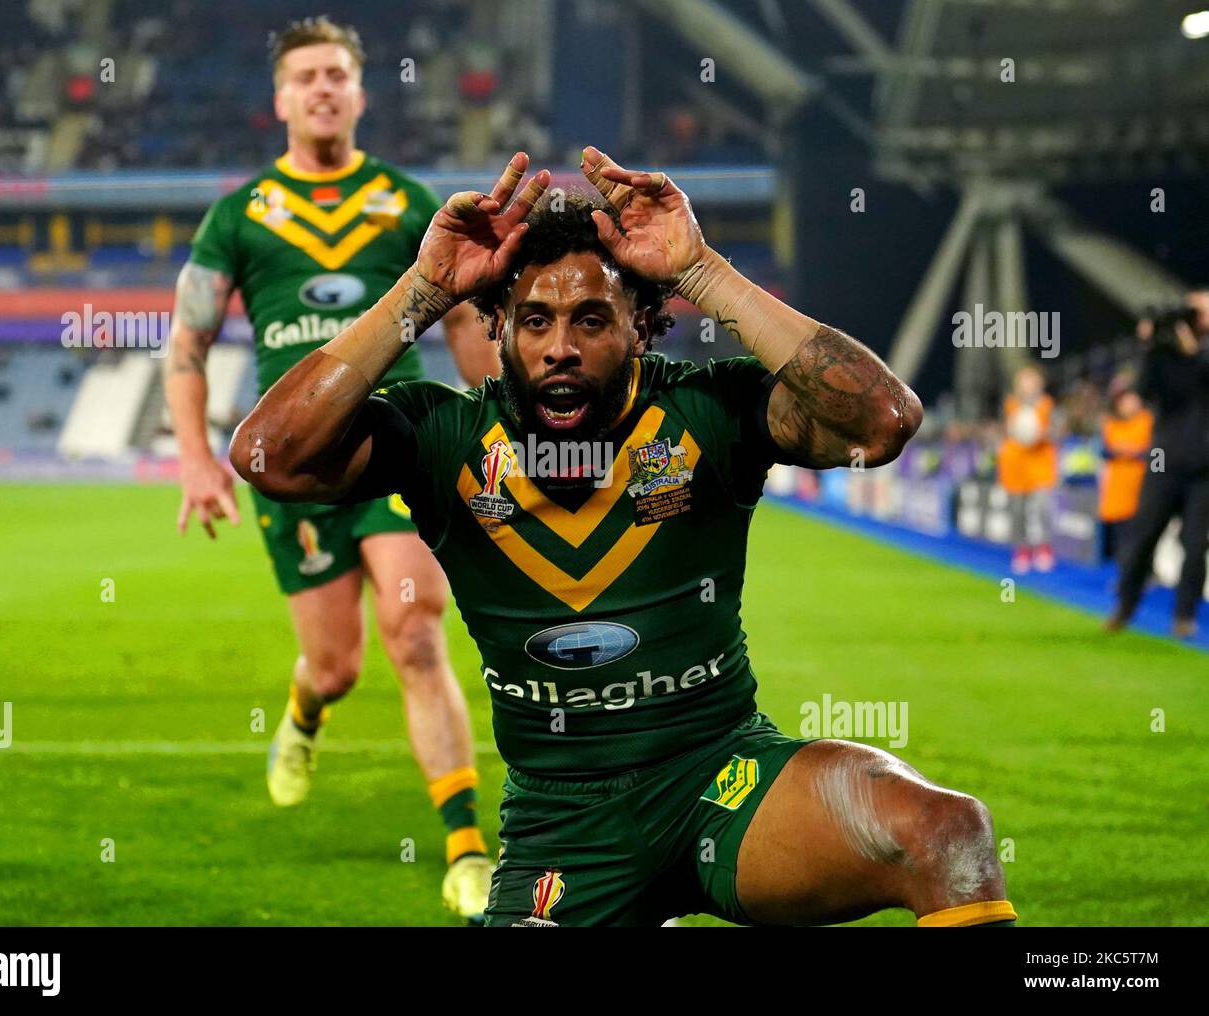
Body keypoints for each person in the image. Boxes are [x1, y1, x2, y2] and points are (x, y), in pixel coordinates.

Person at [230, 147, 1019, 928]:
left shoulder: (709, 411)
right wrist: (423, 290)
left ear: (643, 325)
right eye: (535, 320)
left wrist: (706, 272)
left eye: (592, 319)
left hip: (723, 778)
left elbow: (882, 422)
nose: (560, 346)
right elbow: (267, 455)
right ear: (497, 324)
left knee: (947, 834)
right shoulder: (441, 436)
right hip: (561, 826)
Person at [162, 16, 500, 921]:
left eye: (337, 75)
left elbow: (465, 325)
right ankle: (307, 711)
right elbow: (188, 344)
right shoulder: (238, 215)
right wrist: (197, 459)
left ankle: (467, 849)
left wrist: (517, 428)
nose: (321, 88)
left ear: (360, 93)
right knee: (339, 665)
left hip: (394, 447)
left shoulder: (408, 201)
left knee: (418, 632)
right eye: (305, 76)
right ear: (280, 98)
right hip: (291, 465)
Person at [1108, 295, 1209, 638]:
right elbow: (1143, 392)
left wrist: (1192, 349)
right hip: (1163, 461)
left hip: (1204, 469)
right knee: (1144, 536)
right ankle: (1125, 605)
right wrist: (1150, 345)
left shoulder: (1202, 355)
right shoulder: (1162, 356)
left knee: (1195, 546)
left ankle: (1184, 616)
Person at [996, 365, 1057, 574]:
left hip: (1040, 464)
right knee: (1018, 510)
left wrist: (1042, 432)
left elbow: (1053, 431)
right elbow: (1006, 431)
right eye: (1024, 381)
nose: (1028, 386)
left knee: (1042, 507)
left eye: (1031, 381)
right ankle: (1022, 550)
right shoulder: (1010, 404)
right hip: (1015, 465)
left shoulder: (1046, 404)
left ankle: (1044, 548)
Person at [1097, 377, 1153, 561]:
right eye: (1124, 400)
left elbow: (1158, 457)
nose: (1129, 404)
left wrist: (1136, 452)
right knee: (1122, 537)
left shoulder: (1148, 421)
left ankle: (1145, 573)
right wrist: (1117, 450)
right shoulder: (1110, 425)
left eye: (1132, 398)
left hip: (1143, 489)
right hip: (1118, 491)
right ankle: (1125, 576)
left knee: (1144, 535)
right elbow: (1103, 452)